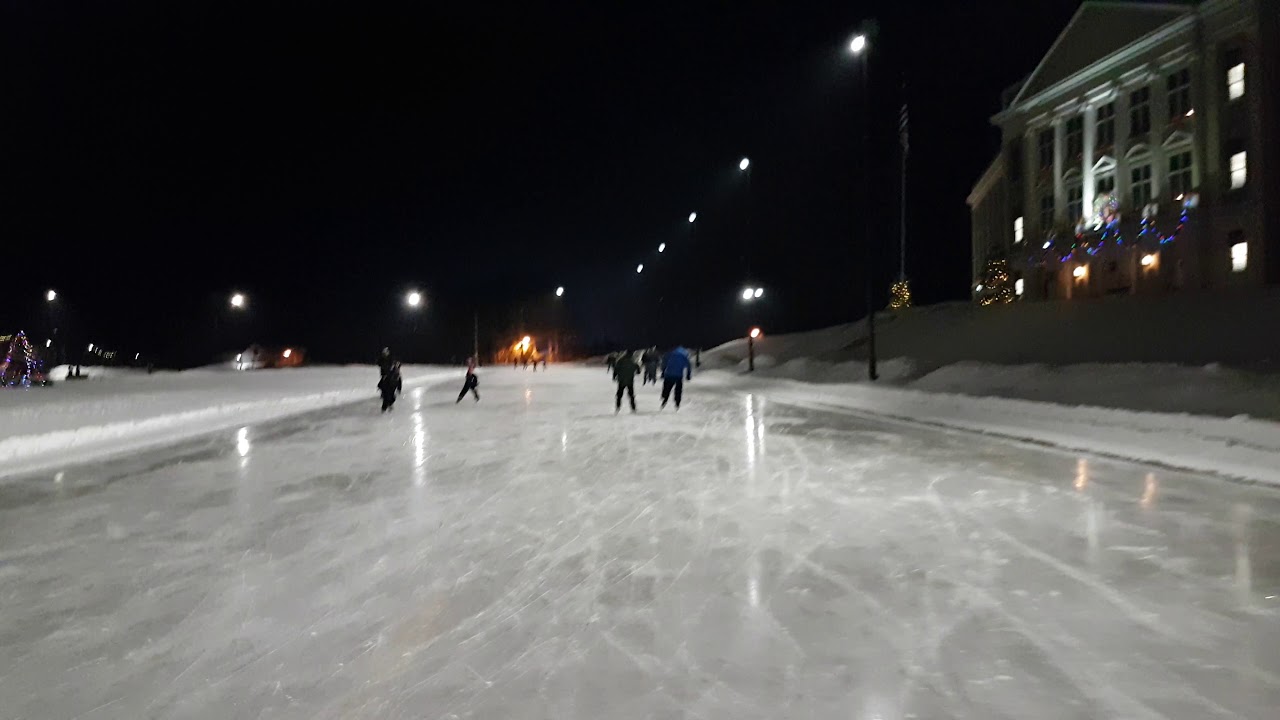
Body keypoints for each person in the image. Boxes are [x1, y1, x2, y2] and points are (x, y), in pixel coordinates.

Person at [660, 346, 693, 410]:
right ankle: (677, 402)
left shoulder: (669, 354)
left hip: (669, 374)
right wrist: (688, 375)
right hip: (678, 375)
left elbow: (664, 363)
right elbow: (688, 365)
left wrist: (663, 372)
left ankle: (665, 398)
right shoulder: (684, 355)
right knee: (678, 390)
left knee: (667, 387)